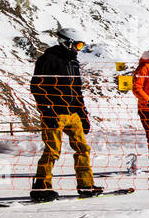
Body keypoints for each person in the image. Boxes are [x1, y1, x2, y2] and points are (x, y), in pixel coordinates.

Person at [30, 28, 101, 202]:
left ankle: (86, 185)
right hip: (54, 113)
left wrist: (83, 116)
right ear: (66, 43)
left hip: (73, 114)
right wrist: (47, 110)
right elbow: (37, 86)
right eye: (77, 45)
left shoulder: (73, 63)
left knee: (83, 149)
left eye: (81, 45)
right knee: (53, 150)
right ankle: (41, 187)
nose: (79, 49)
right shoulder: (48, 59)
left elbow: (77, 92)